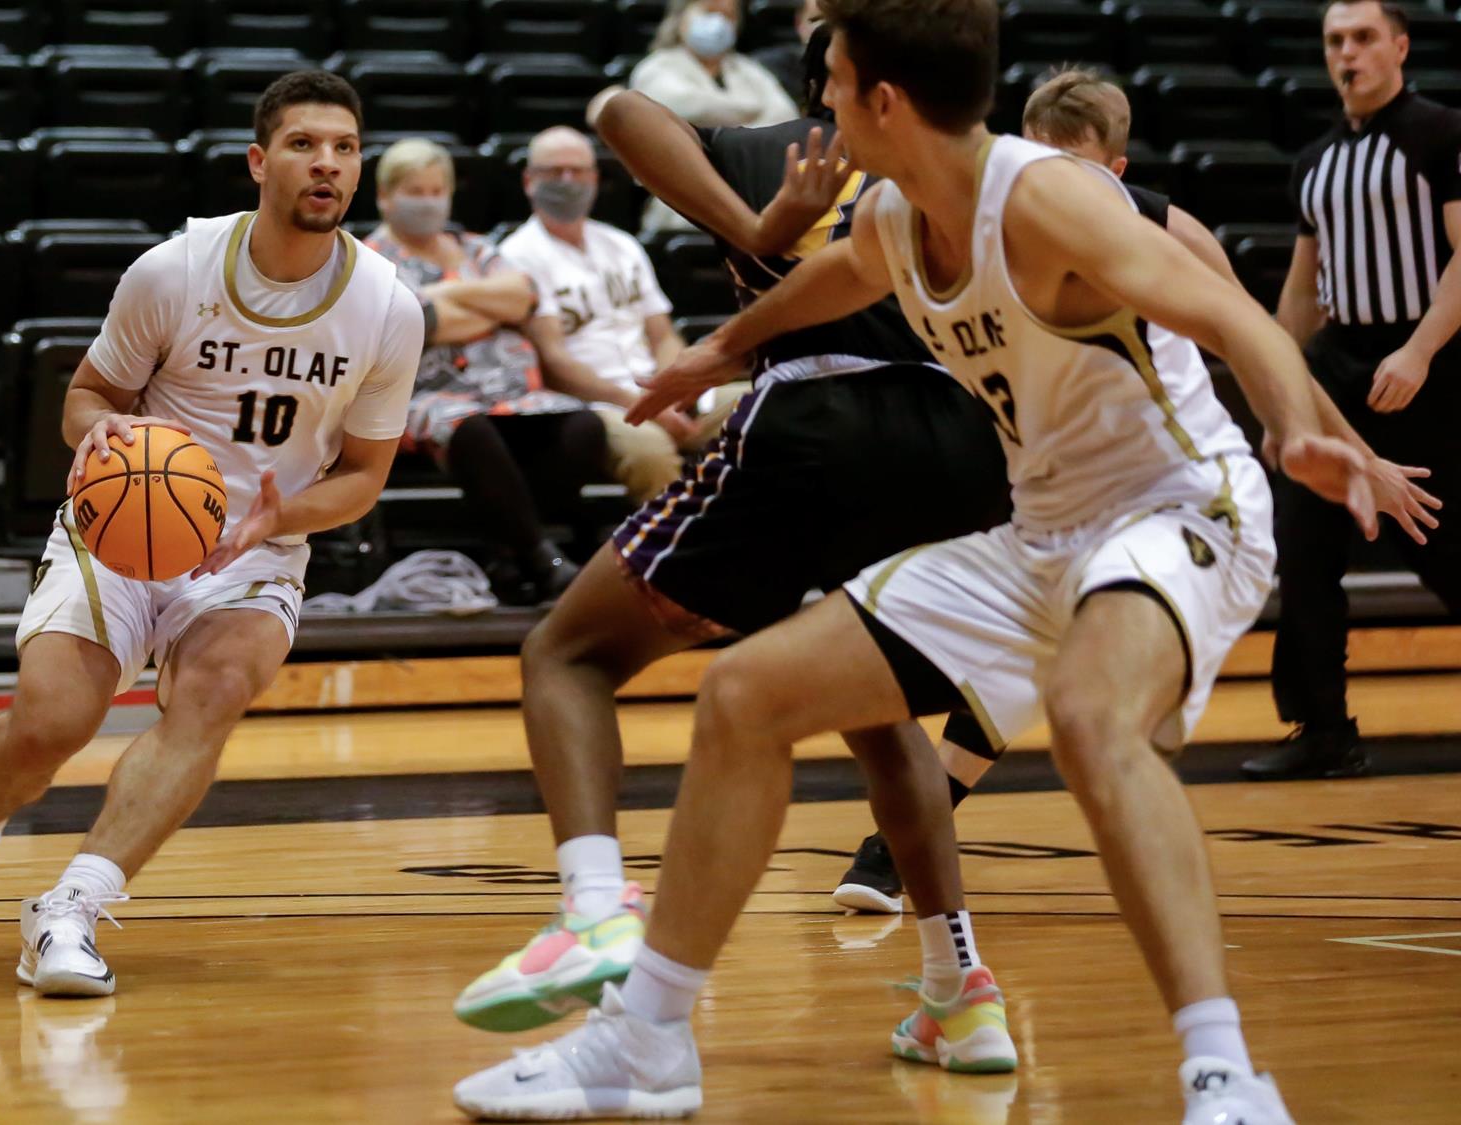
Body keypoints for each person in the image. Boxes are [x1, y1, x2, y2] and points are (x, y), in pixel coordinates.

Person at [454, 0, 1437, 1120]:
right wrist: (718, 350)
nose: (812, 105)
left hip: (1175, 506)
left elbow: (1233, 314)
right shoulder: (889, 211)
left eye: (827, 83)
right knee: (741, 694)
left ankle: (1226, 1078)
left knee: (1087, 716)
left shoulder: (1047, 197)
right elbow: (829, 282)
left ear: (880, 98)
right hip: (1032, 534)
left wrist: (1292, 428)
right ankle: (644, 1047)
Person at [451, 21, 1016, 1044]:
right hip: (964, 444)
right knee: (876, 711)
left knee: (564, 654)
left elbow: (616, 110)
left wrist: (757, 230)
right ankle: (958, 992)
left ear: (830, 86)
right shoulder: (974, 173)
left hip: (819, 423)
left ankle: (591, 913)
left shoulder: (775, 153)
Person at [0, 71, 425, 997]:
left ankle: (71, 908)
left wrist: (283, 515)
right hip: (118, 527)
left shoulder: (390, 306)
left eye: (345, 148)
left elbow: (362, 477)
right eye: (303, 145)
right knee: (51, 726)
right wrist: (101, 432)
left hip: (253, 548)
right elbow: (85, 398)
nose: (327, 163)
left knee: (216, 691)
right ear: (258, 160)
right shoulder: (175, 270)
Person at [830, 65, 1260, 915]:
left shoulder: (1158, 226)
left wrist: (1312, 432)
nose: (1055, 185)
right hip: (1015, 455)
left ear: (1117, 173)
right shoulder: (983, 210)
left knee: (1066, 682)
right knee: (998, 661)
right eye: (1042, 162)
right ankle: (908, 843)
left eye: (1079, 169)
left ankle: (901, 845)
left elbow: (1247, 329)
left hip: (1136, 485)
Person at [1251, 0, 1461, 781]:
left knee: (1448, 546)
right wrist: (1282, 399)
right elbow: (1303, 292)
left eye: (1365, 37)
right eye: (1336, 40)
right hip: (1341, 365)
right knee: (1303, 548)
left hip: (1432, 362)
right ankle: (1324, 728)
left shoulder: (1442, 132)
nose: (1349, 53)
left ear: (1400, 45)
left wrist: (1419, 349)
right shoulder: (1314, 162)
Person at [364, 138, 609, 603]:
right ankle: (540, 558)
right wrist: (485, 306)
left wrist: (446, 296)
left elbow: (522, 296)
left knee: (584, 426)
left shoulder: (477, 246)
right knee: (470, 430)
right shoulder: (370, 259)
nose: (428, 200)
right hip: (427, 398)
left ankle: (505, 555)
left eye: (437, 190)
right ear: (385, 196)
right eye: (415, 190)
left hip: (514, 393)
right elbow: (420, 323)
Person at [498, 126, 697, 502]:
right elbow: (553, 362)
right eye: (554, 172)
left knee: (756, 408)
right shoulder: (515, 256)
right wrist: (642, 404)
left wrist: (670, 390)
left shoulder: (623, 244)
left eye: (578, 172)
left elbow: (663, 334)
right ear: (528, 181)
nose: (568, 181)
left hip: (660, 393)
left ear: (595, 178)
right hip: (593, 406)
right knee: (651, 453)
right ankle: (673, 557)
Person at [631, 0, 801, 233]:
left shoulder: (751, 71)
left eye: (728, 15)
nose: (719, 21)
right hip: (679, 204)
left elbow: (785, 116)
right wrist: (752, 112)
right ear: (681, 18)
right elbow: (687, 107)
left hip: (751, 195)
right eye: (709, 11)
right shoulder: (655, 67)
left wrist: (719, 130)